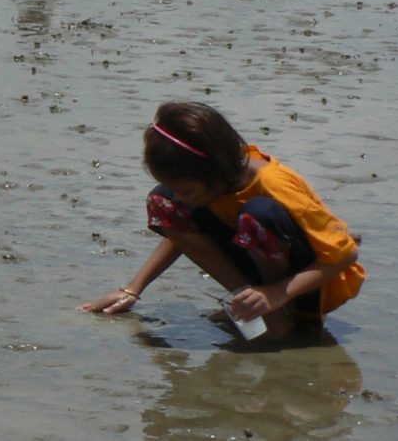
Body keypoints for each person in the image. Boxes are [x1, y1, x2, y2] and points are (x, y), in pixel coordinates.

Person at [79, 101, 364, 341]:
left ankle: (283, 313)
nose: (183, 197)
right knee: (164, 202)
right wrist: (133, 289)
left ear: (215, 171)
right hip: (264, 268)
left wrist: (275, 295)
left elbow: (345, 253)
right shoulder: (219, 182)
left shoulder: (273, 184)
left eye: (188, 190)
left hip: (314, 283)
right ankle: (251, 302)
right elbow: (181, 236)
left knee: (258, 215)